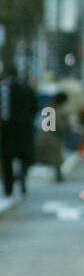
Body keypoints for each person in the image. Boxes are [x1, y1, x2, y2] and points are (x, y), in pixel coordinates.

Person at [0, 67, 39, 197]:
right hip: (24, 129)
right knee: (26, 157)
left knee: (7, 159)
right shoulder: (27, 89)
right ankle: (22, 175)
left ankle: (8, 187)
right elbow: (35, 107)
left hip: (6, 129)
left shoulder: (3, 90)